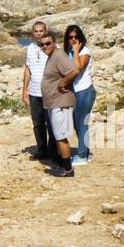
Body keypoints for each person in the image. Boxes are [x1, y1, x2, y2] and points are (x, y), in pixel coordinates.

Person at [39, 32, 75, 176]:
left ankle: (67, 169)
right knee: (58, 135)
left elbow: (74, 70)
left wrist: (63, 82)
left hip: (60, 102)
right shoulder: (51, 56)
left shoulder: (59, 55)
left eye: (48, 43)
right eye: (41, 44)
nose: (45, 46)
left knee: (61, 135)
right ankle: (62, 164)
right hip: (53, 102)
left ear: (54, 43)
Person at [20, 19, 55, 161]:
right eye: (36, 31)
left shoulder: (52, 47)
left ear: (46, 31)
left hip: (49, 91)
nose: (39, 34)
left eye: (41, 31)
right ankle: (42, 150)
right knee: (38, 123)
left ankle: (54, 151)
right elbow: (28, 69)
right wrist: (24, 89)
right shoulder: (30, 48)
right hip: (34, 91)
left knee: (52, 122)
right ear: (33, 33)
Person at [62, 24, 96, 166]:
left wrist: (76, 50)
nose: (74, 40)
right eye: (71, 38)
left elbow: (78, 68)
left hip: (85, 90)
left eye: (76, 37)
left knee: (81, 123)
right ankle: (86, 153)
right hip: (76, 91)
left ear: (81, 38)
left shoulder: (84, 51)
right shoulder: (69, 51)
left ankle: (82, 155)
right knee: (78, 123)